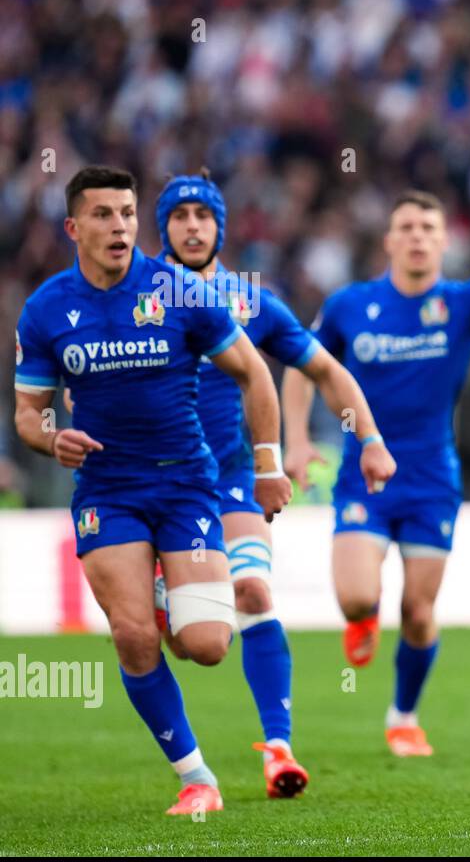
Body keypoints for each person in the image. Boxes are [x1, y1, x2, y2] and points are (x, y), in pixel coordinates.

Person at [12, 165, 292, 814]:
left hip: (188, 484)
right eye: (104, 215)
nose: (119, 226)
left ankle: (168, 591)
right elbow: (27, 412)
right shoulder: (47, 309)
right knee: (132, 635)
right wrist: (50, 437)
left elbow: (254, 373)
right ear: (73, 227)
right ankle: (198, 779)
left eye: (128, 213)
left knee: (208, 646)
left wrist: (269, 464)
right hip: (107, 491)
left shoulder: (181, 292)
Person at [281, 186, 470, 756]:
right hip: (364, 475)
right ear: (388, 240)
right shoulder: (348, 306)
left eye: (429, 229)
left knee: (419, 611)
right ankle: (361, 619)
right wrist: (299, 440)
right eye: (406, 227)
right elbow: (303, 367)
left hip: (432, 478)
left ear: (444, 242)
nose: (417, 238)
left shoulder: (463, 302)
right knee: (358, 599)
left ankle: (403, 716)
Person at [153, 171, 396, 796]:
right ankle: (166, 608)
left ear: (220, 227)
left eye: (202, 216)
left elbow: (326, 369)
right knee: (194, 644)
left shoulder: (250, 301)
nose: (192, 226)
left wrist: (368, 438)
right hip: (154, 485)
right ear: (162, 229)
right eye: (179, 217)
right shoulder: (135, 298)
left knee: (255, 594)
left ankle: (278, 749)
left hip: (232, 479)